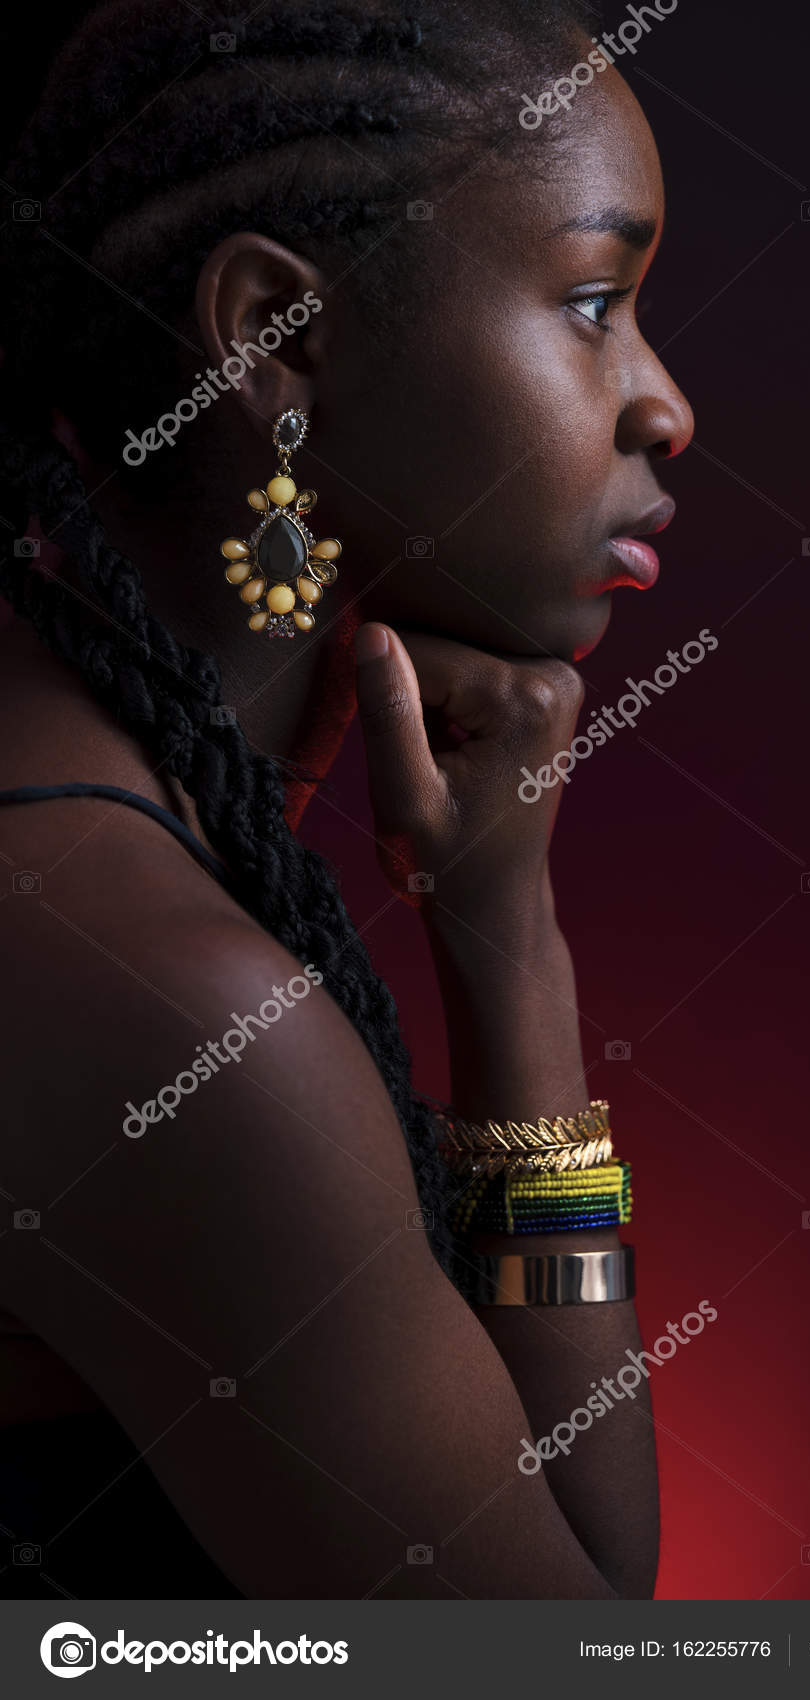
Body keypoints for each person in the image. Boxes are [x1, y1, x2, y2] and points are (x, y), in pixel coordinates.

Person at [0, 0, 693, 1600]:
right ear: (276, 335)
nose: (664, 405)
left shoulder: (96, 785)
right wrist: (513, 957)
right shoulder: (171, 1005)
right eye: (594, 304)